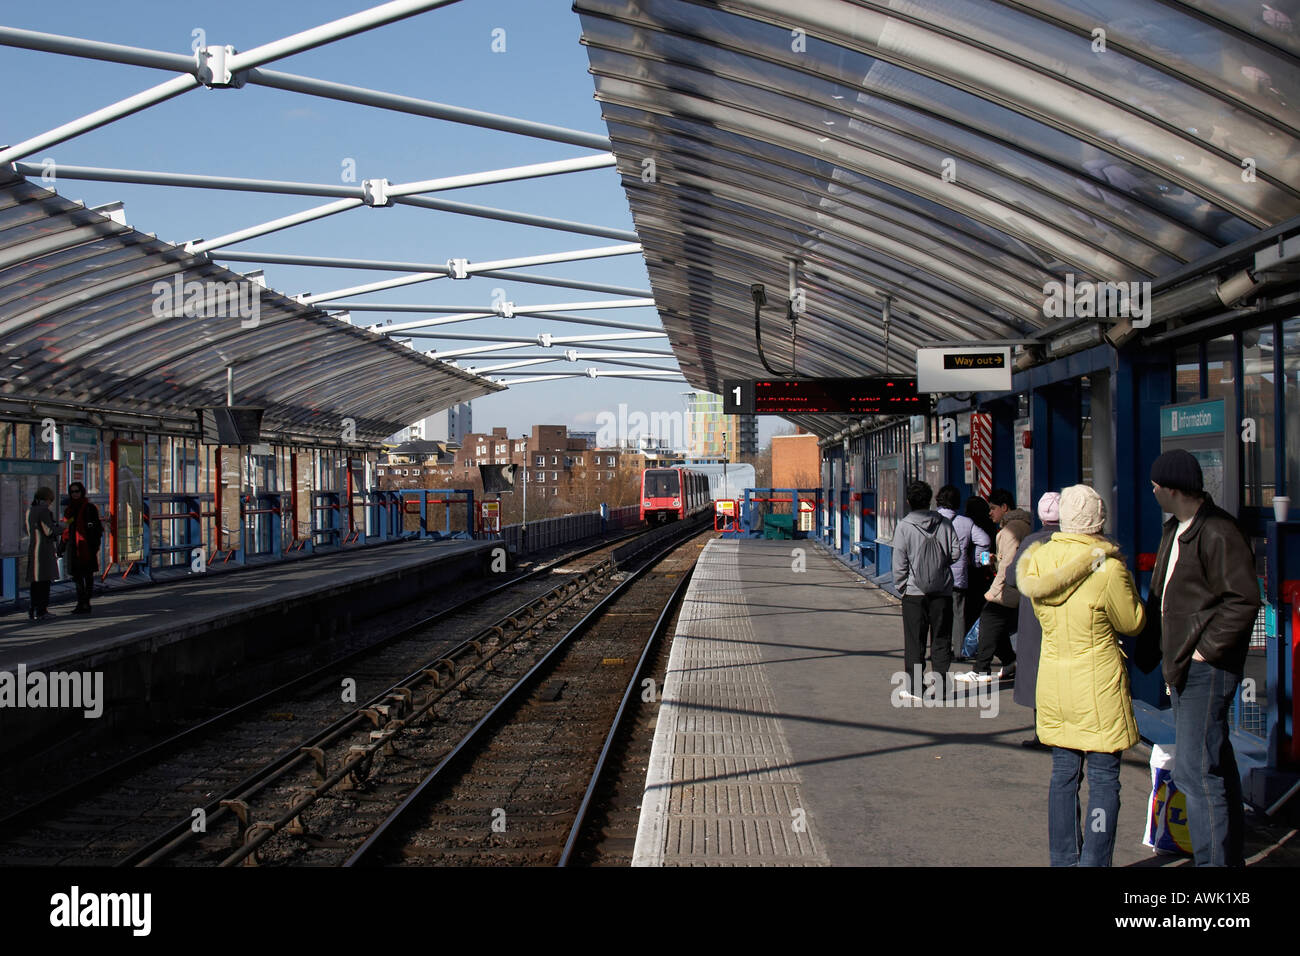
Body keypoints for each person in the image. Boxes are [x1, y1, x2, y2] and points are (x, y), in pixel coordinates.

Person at [1017, 484, 1145, 866]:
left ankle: (1063, 858)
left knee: (1063, 775)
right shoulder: (1107, 568)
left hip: (1055, 682)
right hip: (1099, 685)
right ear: (1099, 521)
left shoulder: (1039, 562)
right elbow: (1132, 622)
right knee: (1104, 778)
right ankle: (1094, 859)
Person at [1145, 449, 1259, 867]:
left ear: (1172, 489)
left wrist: (1203, 651)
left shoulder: (1218, 531)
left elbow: (1244, 600)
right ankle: (1227, 860)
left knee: (1196, 772)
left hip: (1203, 668)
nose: (1152, 491)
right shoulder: (1175, 528)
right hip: (1183, 663)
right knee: (1215, 763)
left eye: (1156, 485)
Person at [892, 480, 963, 699]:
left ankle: (915, 688)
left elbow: (899, 562)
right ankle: (941, 687)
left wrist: (902, 586)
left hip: (914, 593)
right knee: (941, 638)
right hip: (941, 591)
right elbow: (955, 553)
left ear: (908, 501)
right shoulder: (944, 523)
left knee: (915, 640)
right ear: (930, 500)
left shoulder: (904, 526)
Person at [957, 489, 1031, 682]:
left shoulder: (1009, 531)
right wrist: (994, 560)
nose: (990, 512)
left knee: (988, 621)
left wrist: (995, 590)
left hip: (1006, 588)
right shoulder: (1021, 526)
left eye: (993, 508)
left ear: (1004, 508)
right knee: (997, 627)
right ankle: (1009, 661)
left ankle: (981, 668)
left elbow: (1008, 564)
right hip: (1015, 586)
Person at [1006, 491, 1061, 749]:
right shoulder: (1079, 542)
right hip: (1067, 620)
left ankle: (1043, 733)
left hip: (1036, 617)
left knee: (1039, 671)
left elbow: (1013, 578)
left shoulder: (1032, 542)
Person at [935, 485, 977, 663]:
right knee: (958, 613)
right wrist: (975, 559)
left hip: (936, 577)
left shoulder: (932, 520)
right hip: (958, 576)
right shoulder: (966, 522)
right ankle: (959, 651)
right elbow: (984, 540)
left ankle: (939, 650)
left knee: (937, 615)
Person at [960, 495, 995, 646]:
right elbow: (989, 547)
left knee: (968, 609)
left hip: (969, 571)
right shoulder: (990, 526)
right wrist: (984, 563)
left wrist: (975, 562)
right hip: (984, 573)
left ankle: (968, 640)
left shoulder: (969, 525)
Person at [62, 481, 102, 614]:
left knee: (88, 575)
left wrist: (95, 546)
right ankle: (81, 602)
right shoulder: (69, 510)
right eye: (72, 492)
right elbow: (66, 528)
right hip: (74, 547)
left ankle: (86, 601)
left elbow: (96, 529)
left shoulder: (89, 508)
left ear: (82, 492)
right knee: (77, 576)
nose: (75, 494)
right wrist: (62, 545)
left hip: (87, 547)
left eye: (77, 491)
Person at [27, 487, 61, 622]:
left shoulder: (30, 510)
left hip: (33, 547)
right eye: (50, 500)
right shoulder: (44, 511)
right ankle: (42, 610)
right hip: (44, 550)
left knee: (35, 582)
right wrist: (62, 527)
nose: (50, 503)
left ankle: (33, 608)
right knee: (44, 580)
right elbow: (49, 531)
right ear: (47, 498)